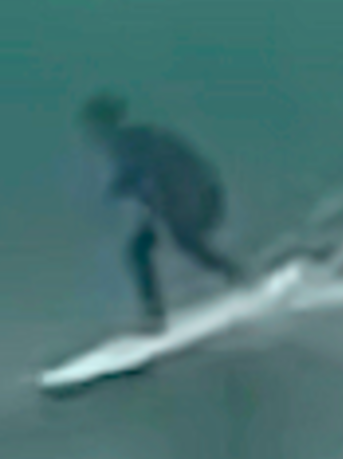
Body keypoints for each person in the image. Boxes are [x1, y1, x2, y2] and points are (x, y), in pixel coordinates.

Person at [82, 92, 242, 329]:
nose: (90, 134)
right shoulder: (132, 140)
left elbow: (158, 171)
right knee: (151, 248)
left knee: (160, 245)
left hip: (193, 195)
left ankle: (156, 316)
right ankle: (235, 277)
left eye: (93, 126)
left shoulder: (129, 142)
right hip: (188, 196)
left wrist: (128, 187)